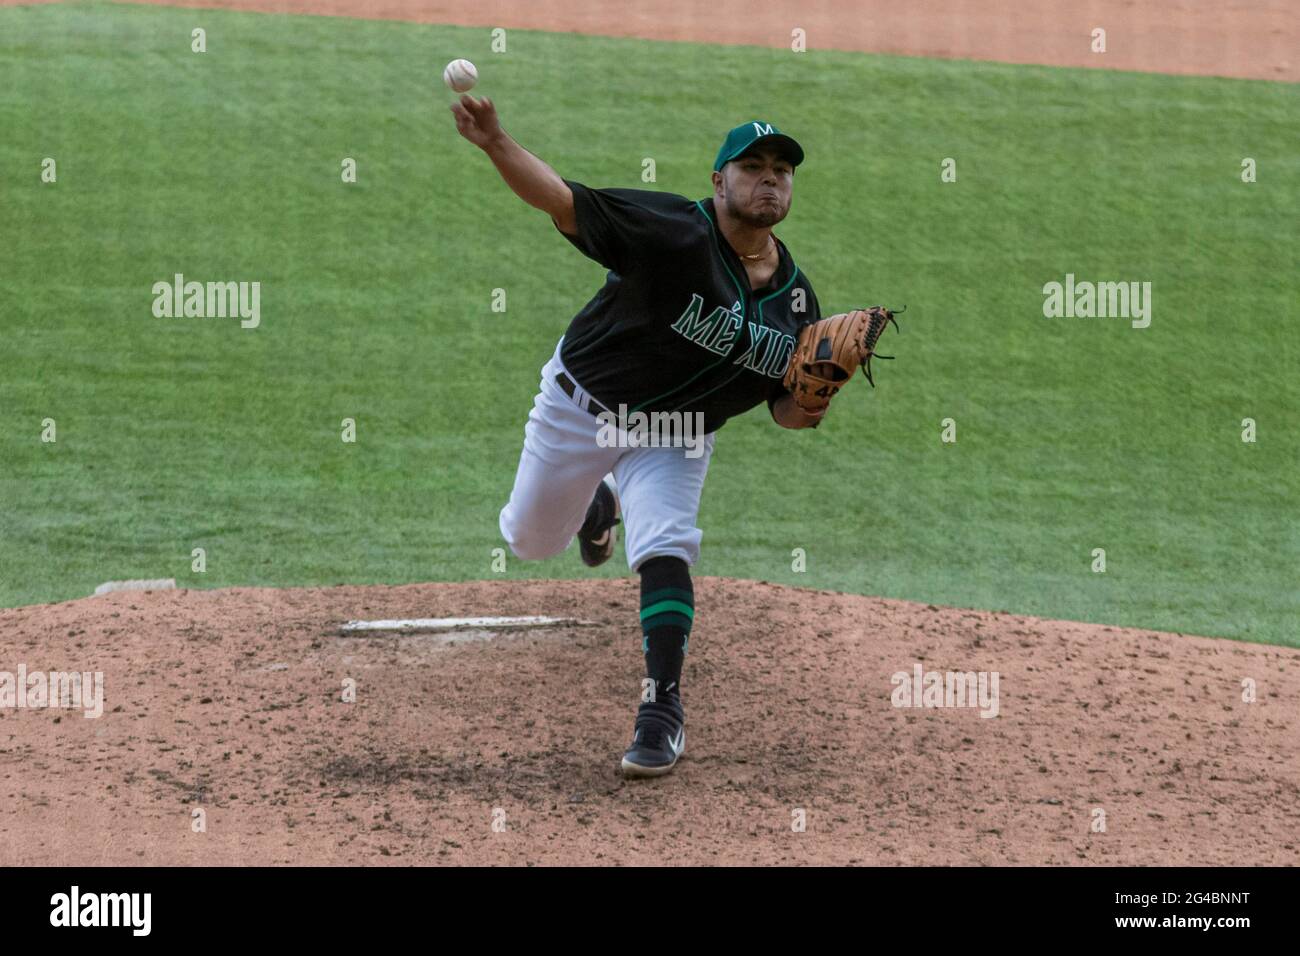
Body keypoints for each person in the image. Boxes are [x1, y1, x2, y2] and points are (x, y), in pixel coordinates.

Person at [451, 95, 824, 777]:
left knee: (666, 543)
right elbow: (564, 202)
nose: (769, 179)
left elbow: (788, 414)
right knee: (530, 541)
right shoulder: (672, 231)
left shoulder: (798, 305)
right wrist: (496, 142)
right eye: (752, 166)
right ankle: (599, 501)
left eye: (781, 170)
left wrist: (817, 394)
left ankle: (662, 710)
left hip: (678, 434)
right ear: (719, 182)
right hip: (580, 408)